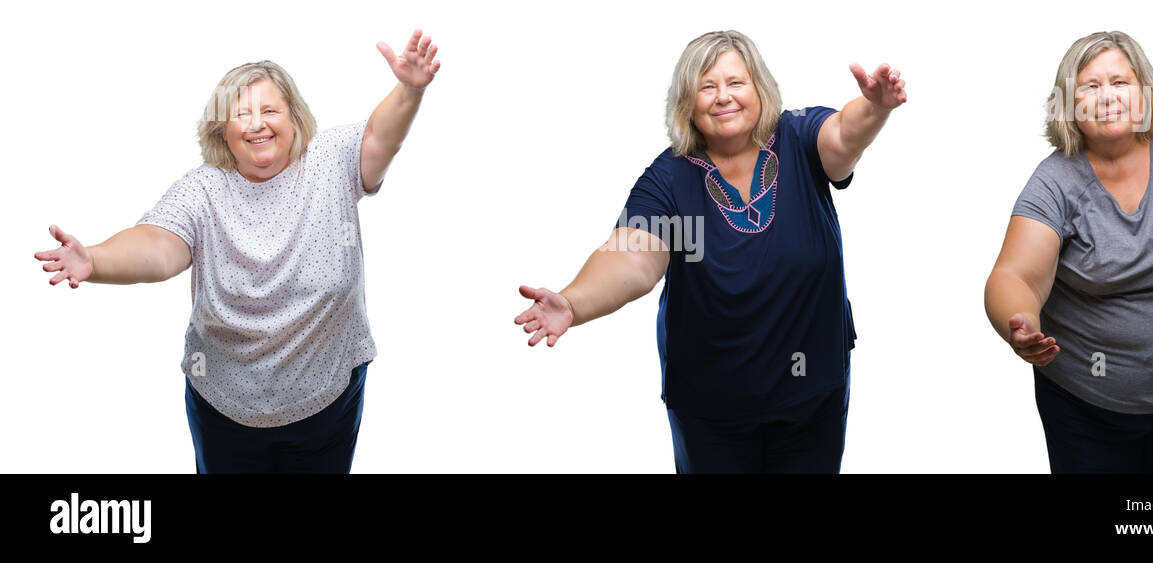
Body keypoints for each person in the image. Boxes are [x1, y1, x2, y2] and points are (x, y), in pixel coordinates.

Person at [33, 29, 441, 473]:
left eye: (270, 109)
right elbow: (157, 245)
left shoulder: (331, 159)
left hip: (327, 395)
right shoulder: (203, 189)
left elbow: (383, 137)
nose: (257, 123)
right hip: (225, 405)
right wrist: (96, 260)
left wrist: (409, 89)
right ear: (222, 132)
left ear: (294, 118)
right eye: (241, 114)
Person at [514, 30, 905, 473]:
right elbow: (631, 256)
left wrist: (874, 108)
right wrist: (572, 301)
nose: (724, 97)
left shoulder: (798, 140)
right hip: (712, 409)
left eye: (736, 82)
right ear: (687, 103)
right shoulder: (671, 179)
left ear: (760, 87)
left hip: (810, 389)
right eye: (707, 86)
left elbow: (843, 137)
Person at [983, 31, 1153, 473]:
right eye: (1090, 87)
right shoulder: (1054, 183)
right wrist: (1018, 322)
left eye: (1120, 82)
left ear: (1144, 91)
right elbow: (1014, 276)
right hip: (1088, 411)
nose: (1107, 96)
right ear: (1069, 104)